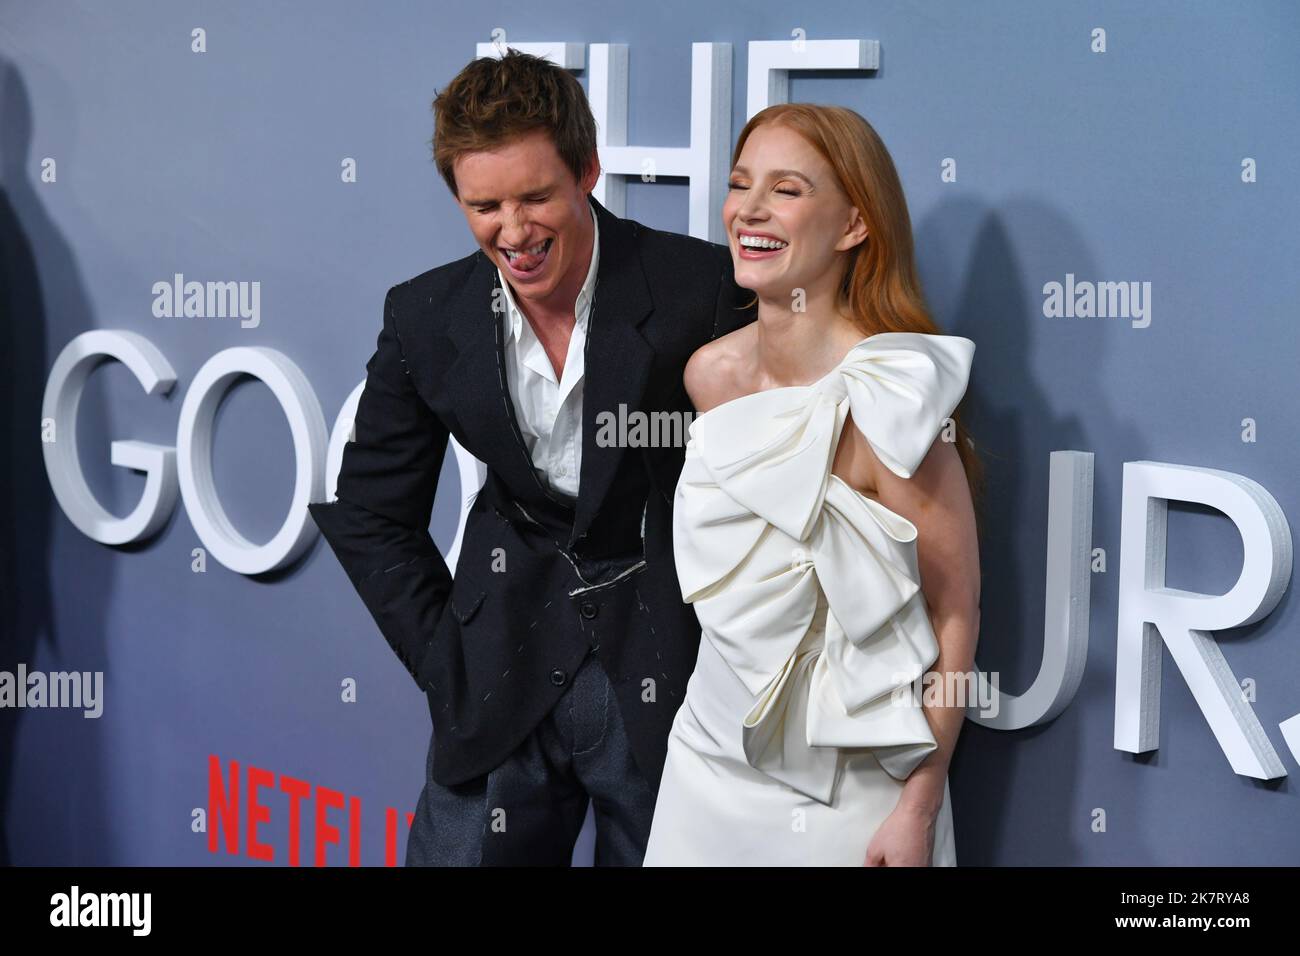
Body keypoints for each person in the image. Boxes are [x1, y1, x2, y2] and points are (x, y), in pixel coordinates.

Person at [307, 50, 755, 865]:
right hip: (497, 674)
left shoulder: (700, 288)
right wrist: (448, 658)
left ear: (587, 170)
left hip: (665, 676)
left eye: (535, 196)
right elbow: (372, 510)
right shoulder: (423, 315)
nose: (512, 232)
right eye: (484, 206)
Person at [642, 103, 982, 866]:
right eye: (740, 184)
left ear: (855, 225)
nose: (750, 211)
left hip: (852, 793)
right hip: (704, 768)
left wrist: (918, 808)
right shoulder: (710, 374)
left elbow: (953, 612)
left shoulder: (889, 399)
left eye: (787, 190)